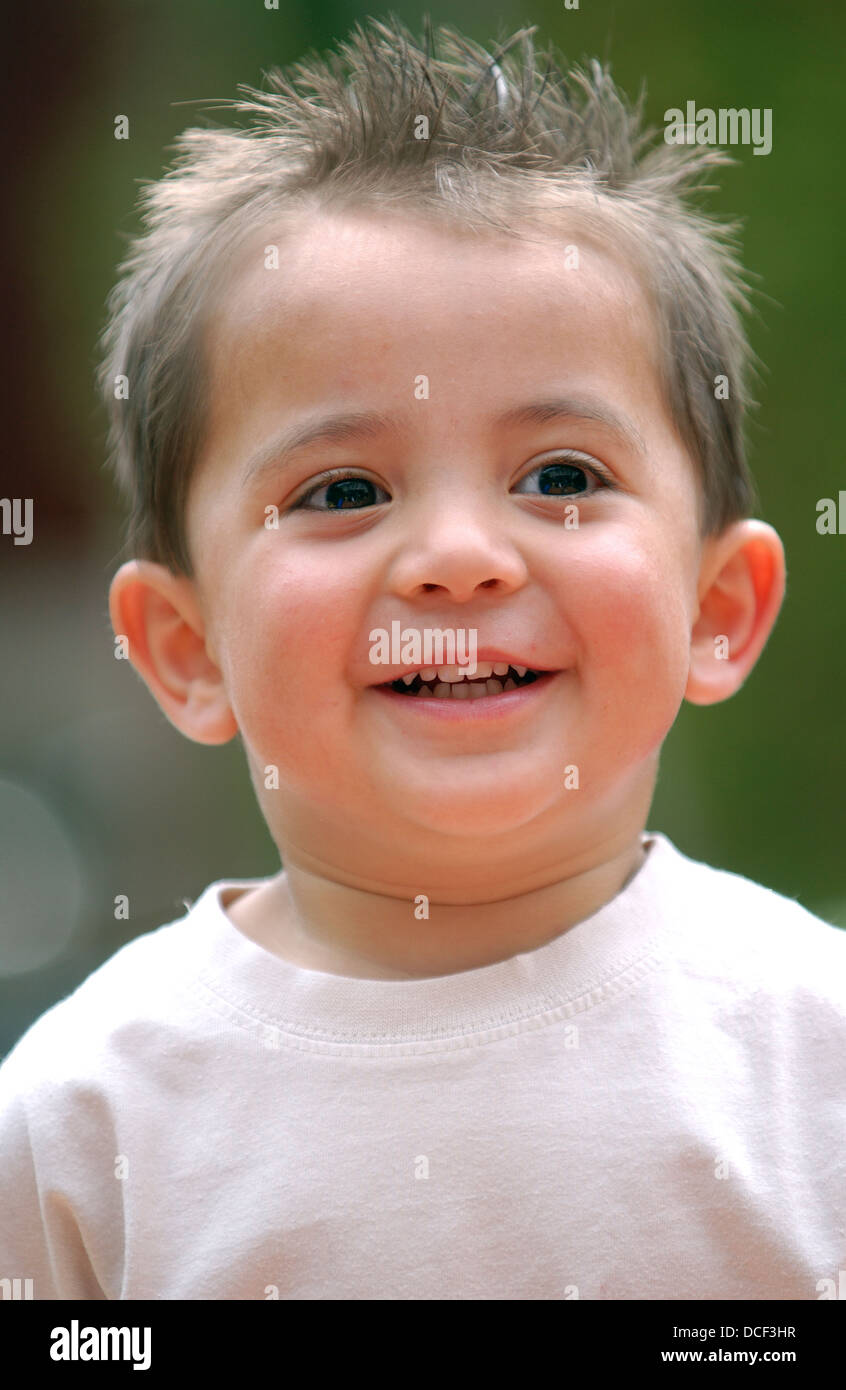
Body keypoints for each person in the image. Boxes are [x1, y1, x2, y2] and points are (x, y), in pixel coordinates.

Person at [1, 16, 843, 1300]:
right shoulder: (80, 1128)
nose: (457, 555)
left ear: (717, 608)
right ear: (186, 651)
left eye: (561, 475)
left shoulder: (814, 1057)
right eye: (341, 489)